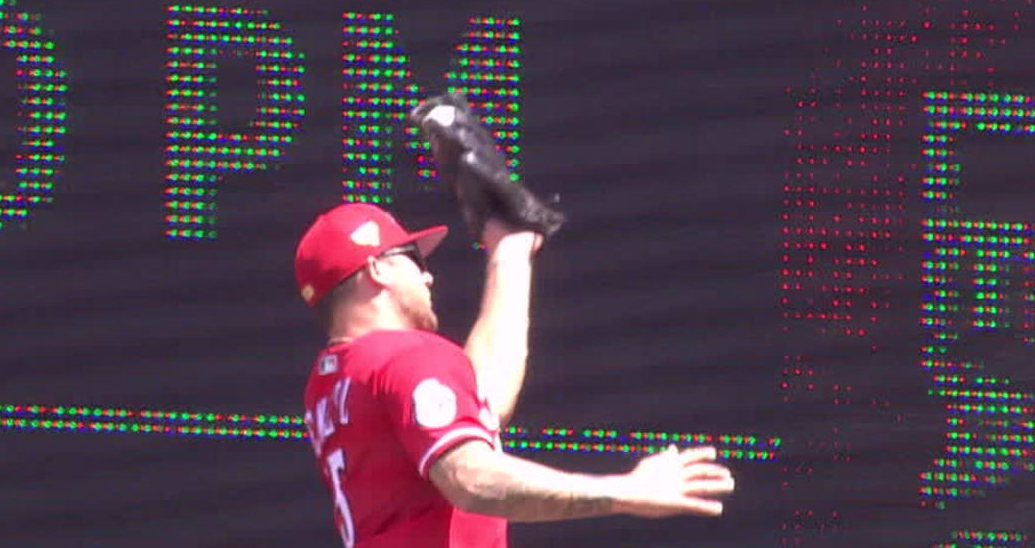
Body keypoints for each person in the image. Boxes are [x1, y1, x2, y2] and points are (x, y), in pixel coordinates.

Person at [295, 202, 735, 548]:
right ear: (376, 268)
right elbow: (469, 478)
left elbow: (479, 402)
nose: (428, 276)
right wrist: (624, 490)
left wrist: (510, 254)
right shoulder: (406, 355)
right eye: (412, 257)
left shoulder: (332, 380)